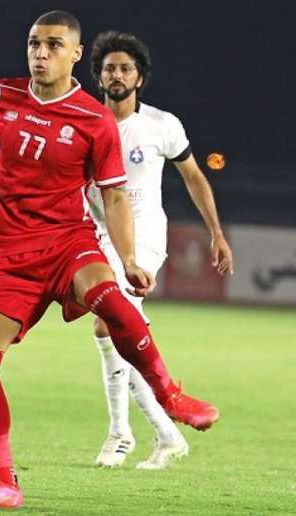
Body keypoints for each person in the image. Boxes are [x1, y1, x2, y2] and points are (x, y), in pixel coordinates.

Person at [0, 10, 218, 510]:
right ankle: (3, 481)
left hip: (69, 242)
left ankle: (169, 394)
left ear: (76, 54)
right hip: (13, 253)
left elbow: (116, 198)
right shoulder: (1, 93)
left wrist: (127, 256)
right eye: (34, 44)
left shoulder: (93, 120)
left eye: (53, 45)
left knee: (110, 297)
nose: (41, 54)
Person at [86, 31, 233, 470]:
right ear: (99, 77)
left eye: (125, 68)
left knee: (106, 324)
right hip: (96, 236)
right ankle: (162, 435)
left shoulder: (161, 125)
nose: (117, 74)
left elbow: (193, 177)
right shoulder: (86, 122)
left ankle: (123, 433)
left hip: (144, 235)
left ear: (139, 78)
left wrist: (216, 232)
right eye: (109, 68)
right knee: (115, 332)